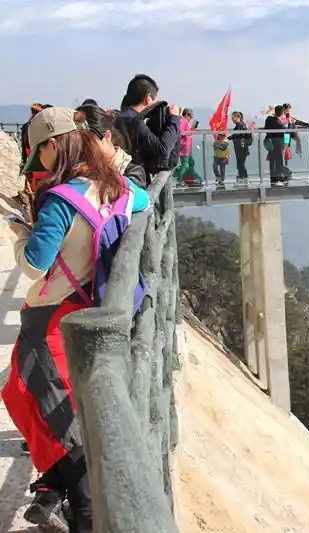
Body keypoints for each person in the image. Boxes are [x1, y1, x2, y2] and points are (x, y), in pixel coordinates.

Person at [2, 106, 150, 533]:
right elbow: (142, 202)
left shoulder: (61, 200)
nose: (39, 161)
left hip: (52, 313)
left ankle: (84, 507)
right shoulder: (115, 186)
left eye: (39, 152)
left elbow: (35, 264)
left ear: (53, 146)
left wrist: (22, 236)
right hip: (90, 303)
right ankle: (55, 487)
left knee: (47, 404)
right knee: (26, 393)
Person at [115, 74, 181, 176]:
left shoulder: (117, 117)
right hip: (133, 178)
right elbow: (162, 149)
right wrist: (174, 118)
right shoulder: (134, 121)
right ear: (148, 97)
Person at [173, 108, 203, 186]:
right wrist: (190, 131)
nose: (190, 118)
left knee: (191, 163)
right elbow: (181, 132)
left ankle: (192, 178)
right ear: (186, 115)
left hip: (187, 147)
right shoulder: (182, 121)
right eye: (190, 116)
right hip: (184, 147)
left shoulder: (184, 121)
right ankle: (179, 179)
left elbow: (187, 132)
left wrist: (192, 129)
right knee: (185, 164)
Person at [264, 105, 286, 186]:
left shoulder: (269, 119)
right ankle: (277, 179)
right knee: (278, 161)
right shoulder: (278, 123)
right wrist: (285, 145)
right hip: (277, 143)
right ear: (282, 113)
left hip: (270, 142)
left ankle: (273, 179)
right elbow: (285, 133)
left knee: (272, 161)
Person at [229, 111, 252, 182]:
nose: (232, 119)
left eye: (233, 117)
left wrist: (229, 138)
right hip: (243, 147)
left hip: (241, 147)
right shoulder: (242, 124)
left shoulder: (239, 125)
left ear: (237, 117)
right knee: (241, 163)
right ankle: (243, 177)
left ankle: (242, 177)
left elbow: (237, 134)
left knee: (240, 163)